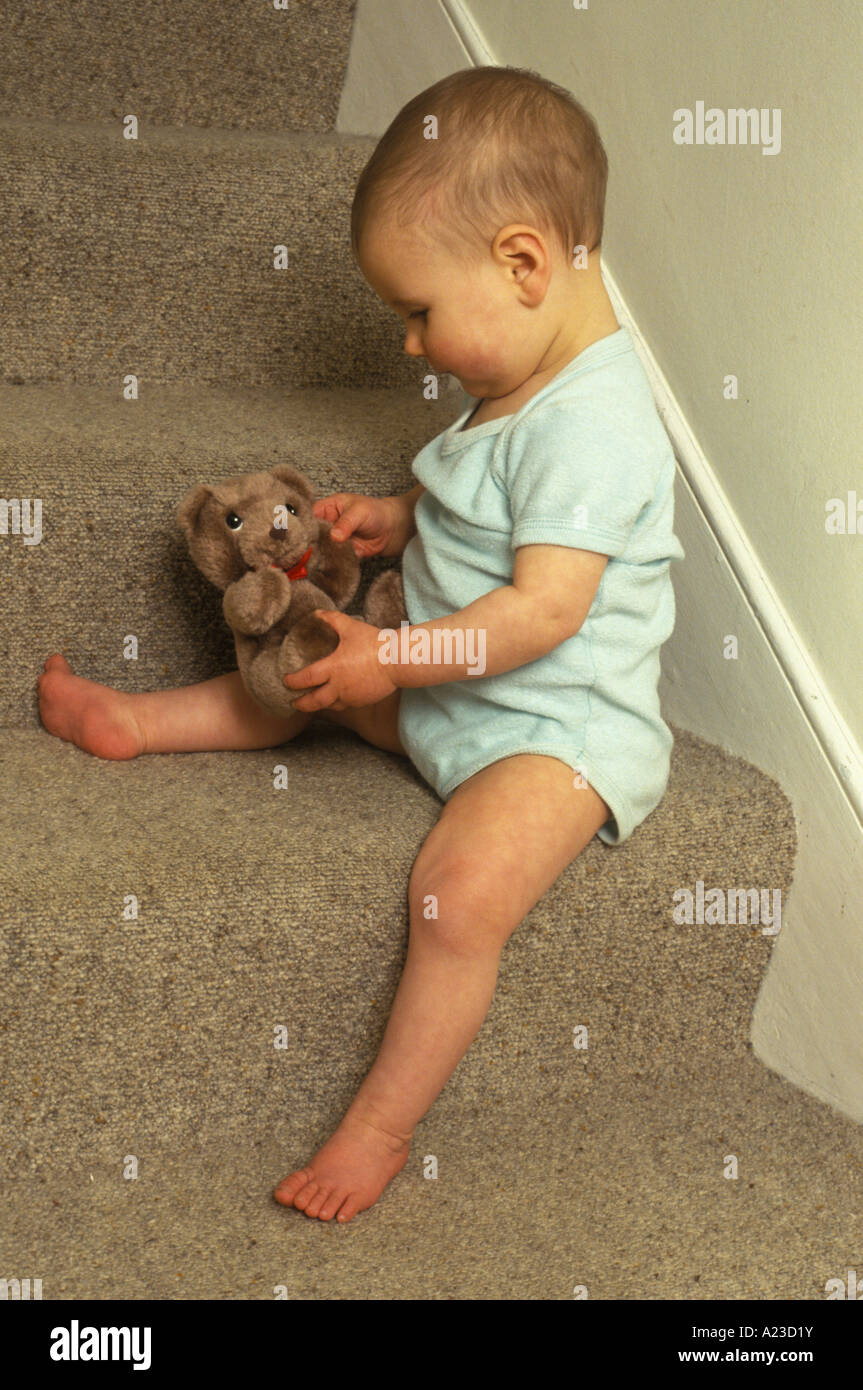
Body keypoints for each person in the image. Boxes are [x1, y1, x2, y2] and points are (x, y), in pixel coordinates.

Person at [37, 66, 684, 1223]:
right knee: (303, 664)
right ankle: (139, 720)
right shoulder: (516, 377)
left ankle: (379, 1131)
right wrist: (397, 515)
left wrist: (397, 659)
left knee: (456, 896)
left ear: (524, 264)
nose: (406, 343)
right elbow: (481, 495)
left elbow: (542, 612)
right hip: (444, 686)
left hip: (548, 734)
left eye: (421, 312)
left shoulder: (600, 426)